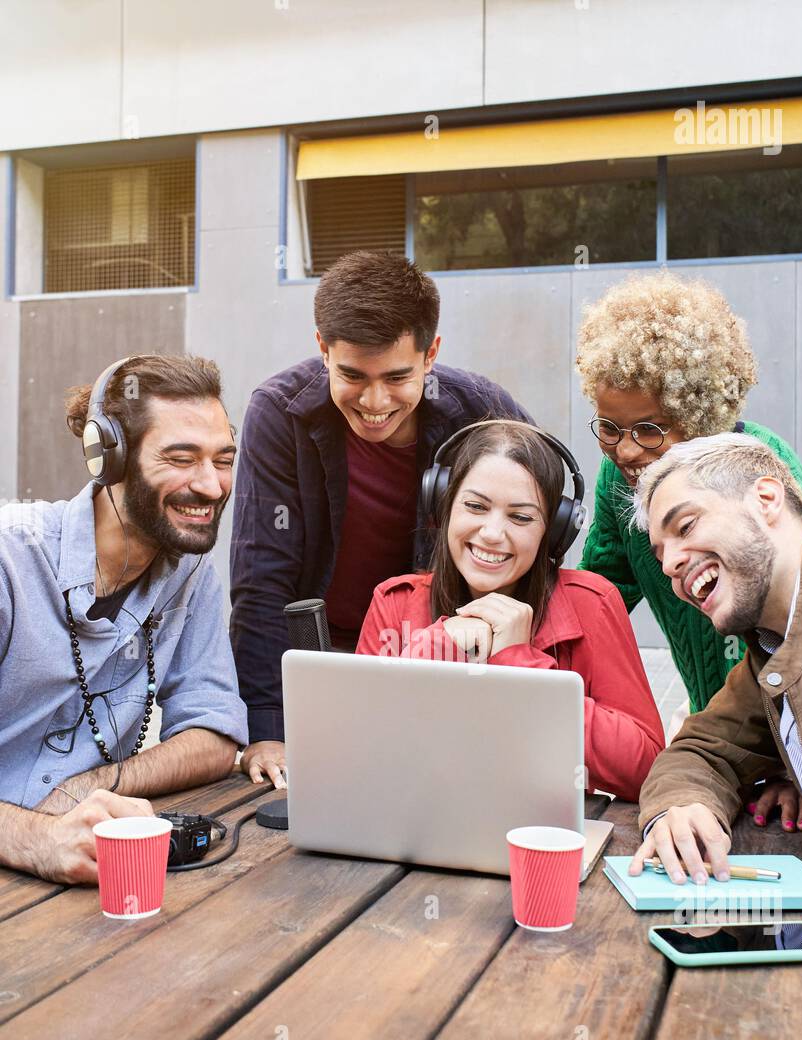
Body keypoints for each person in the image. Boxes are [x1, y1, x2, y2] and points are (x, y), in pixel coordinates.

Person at [230, 250, 533, 790]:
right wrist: (269, 725)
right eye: (351, 375)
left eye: (397, 377)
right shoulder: (277, 413)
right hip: (326, 660)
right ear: (322, 347)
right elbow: (262, 578)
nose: (374, 401)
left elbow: (531, 546)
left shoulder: (484, 412)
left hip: (448, 659)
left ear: (431, 353)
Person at [626, 433, 802, 1040]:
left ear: (766, 498)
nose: (674, 564)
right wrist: (682, 808)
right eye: (662, 555)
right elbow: (700, 749)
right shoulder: (770, 653)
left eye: (686, 525)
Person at [575, 270, 802, 829]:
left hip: (791, 732)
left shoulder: (760, 462)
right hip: (718, 728)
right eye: (609, 428)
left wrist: (798, 766)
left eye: (650, 429)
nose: (626, 450)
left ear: (703, 418)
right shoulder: (616, 480)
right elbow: (598, 597)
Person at [0, 354, 248, 885]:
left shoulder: (192, 574)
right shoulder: (9, 557)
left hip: (84, 872)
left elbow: (214, 732)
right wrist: (35, 838)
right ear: (108, 460)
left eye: (222, 459)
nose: (211, 486)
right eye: (181, 458)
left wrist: (99, 782)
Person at [356, 420, 664, 803]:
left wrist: (521, 664)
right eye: (475, 507)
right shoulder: (394, 603)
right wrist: (435, 649)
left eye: (520, 517)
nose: (492, 533)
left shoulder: (592, 603)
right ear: (443, 506)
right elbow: (361, 759)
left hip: (543, 834)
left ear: (553, 533)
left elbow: (647, 769)